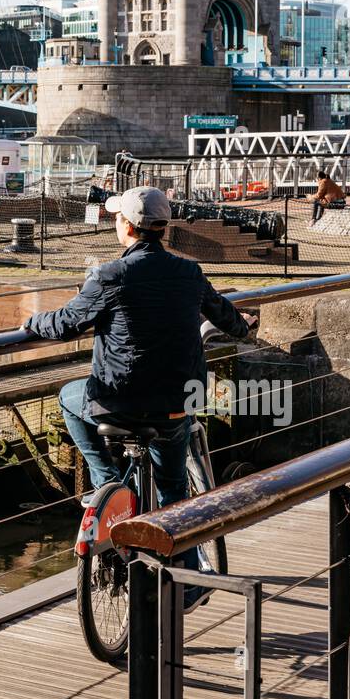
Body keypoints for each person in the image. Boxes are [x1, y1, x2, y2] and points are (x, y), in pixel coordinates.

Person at [24, 186, 256, 612]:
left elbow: (67, 323)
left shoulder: (109, 275)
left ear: (125, 226)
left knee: (67, 398)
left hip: (117, 402)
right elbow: (224, 314)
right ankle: (185, 585)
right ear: (162, 227)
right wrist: (243, 327)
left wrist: (31, 320)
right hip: (175, 401)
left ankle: (104, 485)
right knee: (173, 493)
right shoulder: (189, 273)